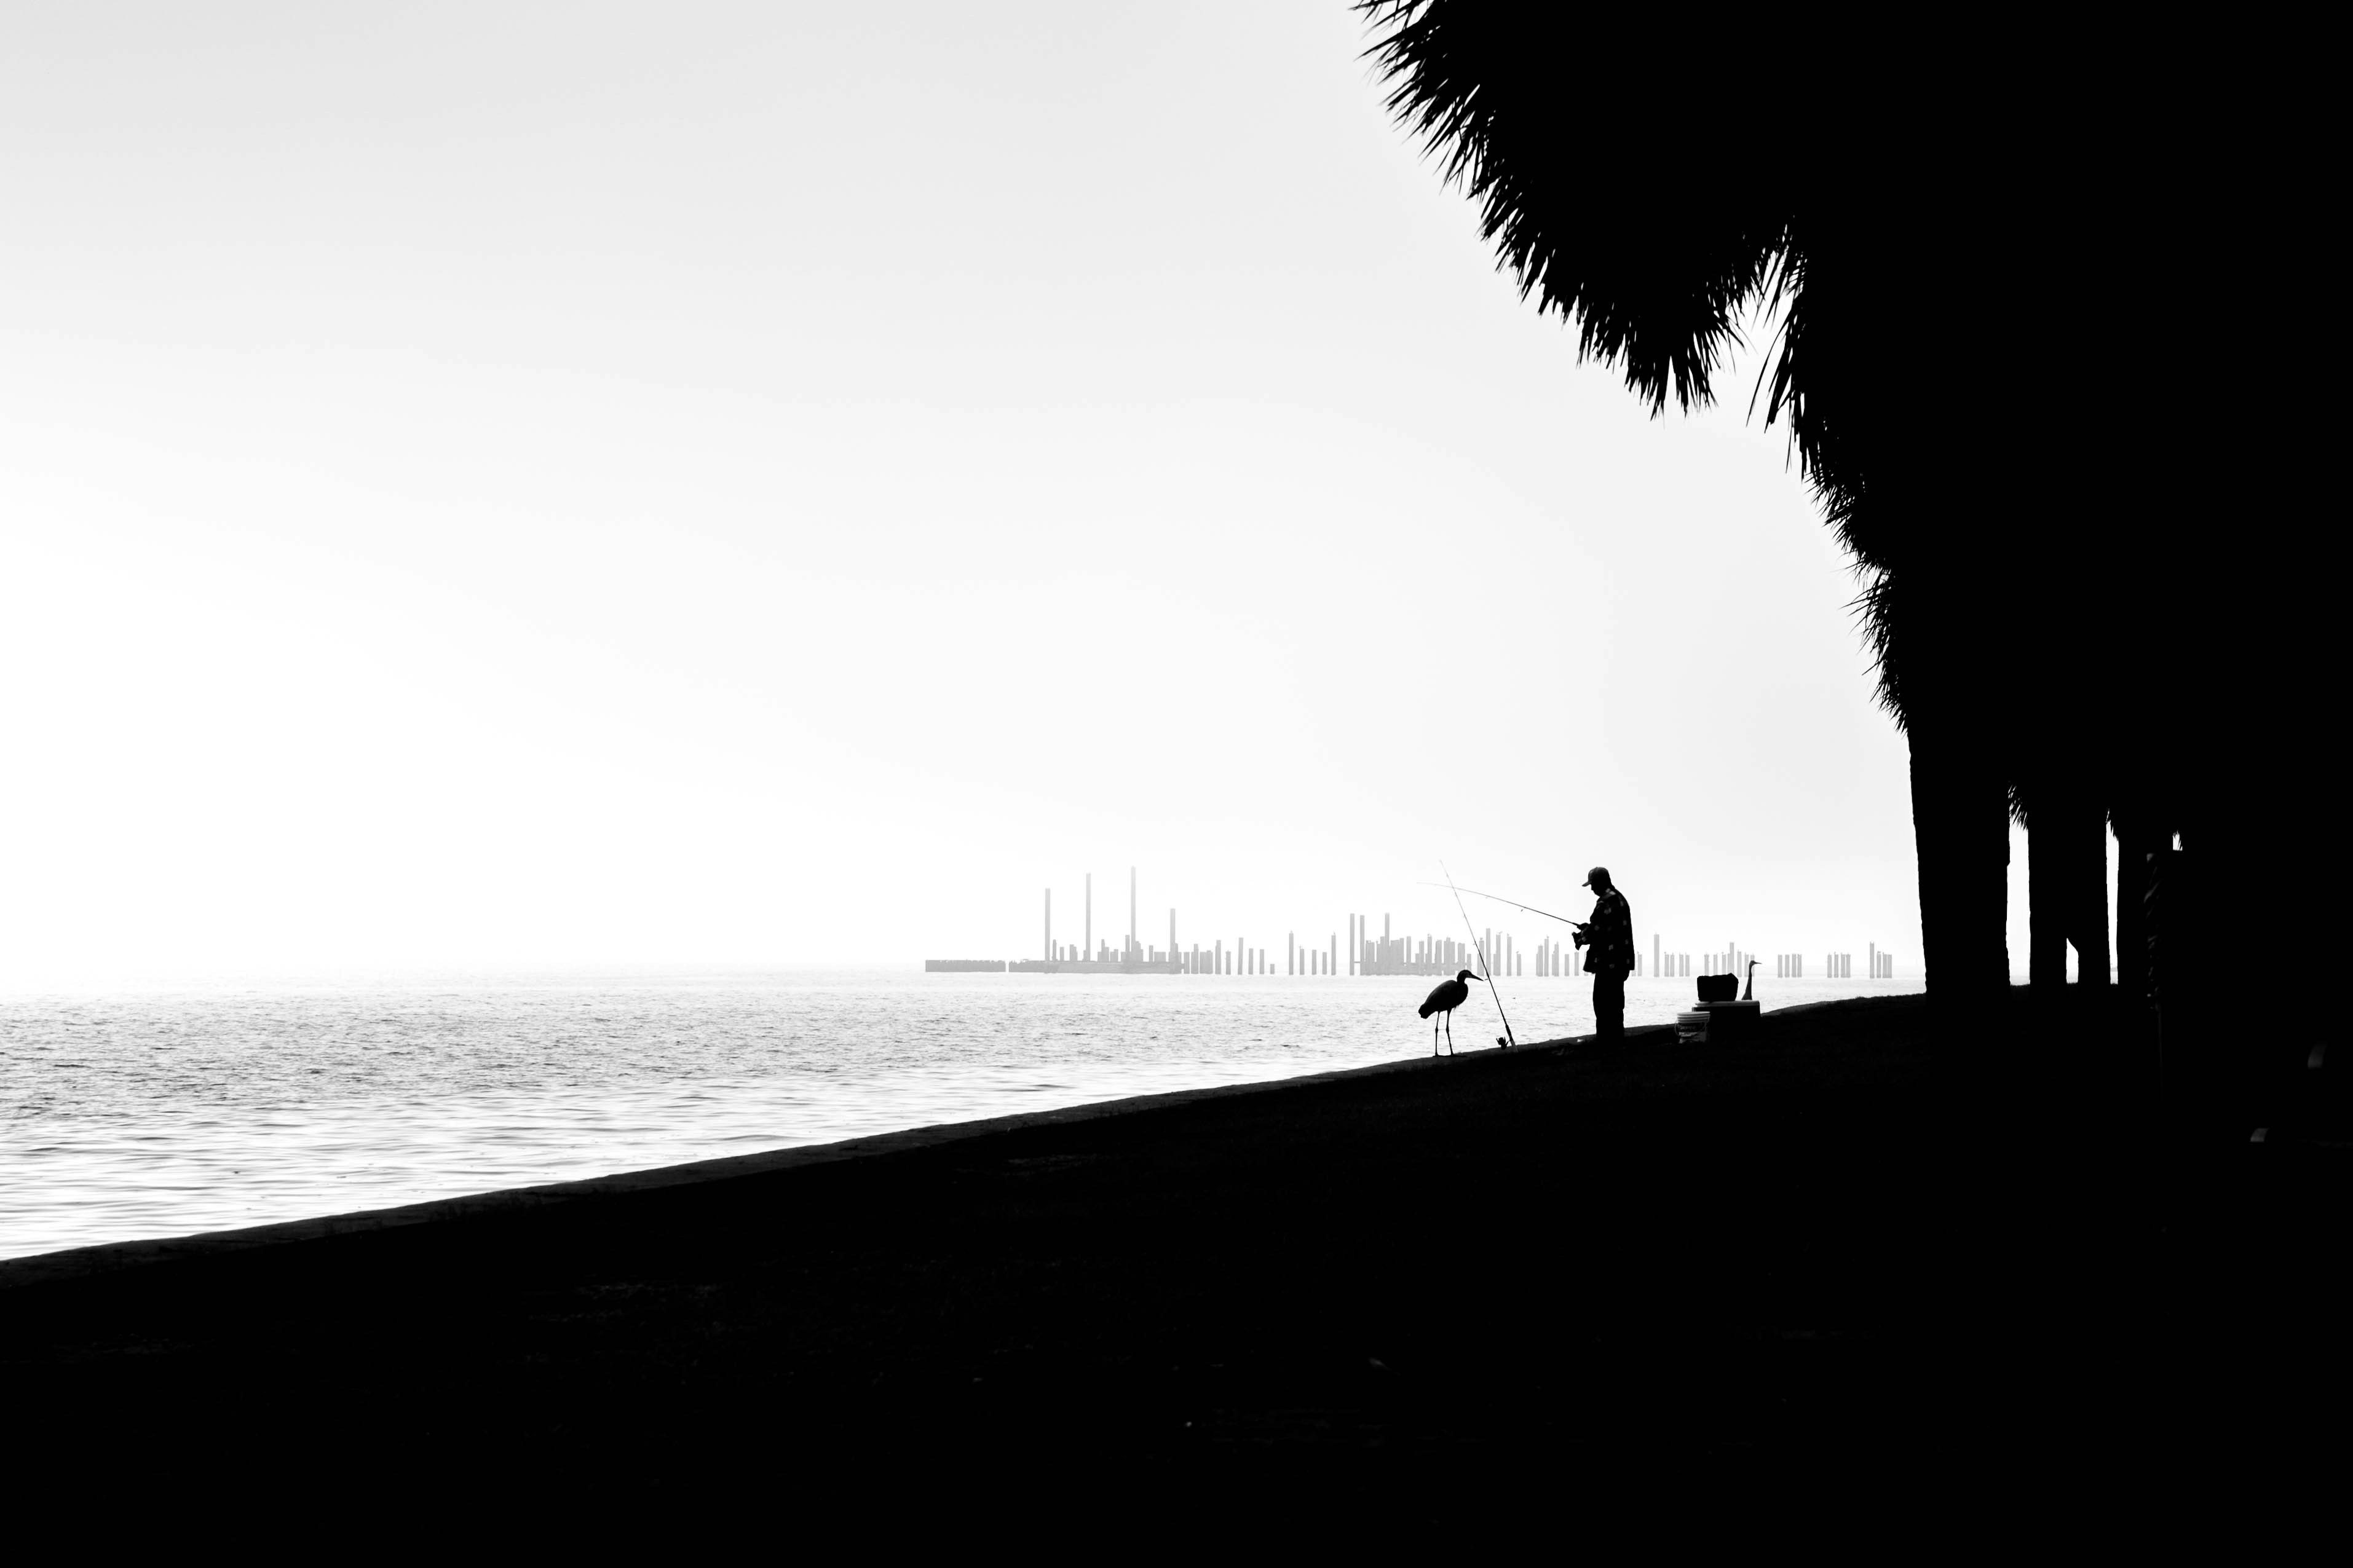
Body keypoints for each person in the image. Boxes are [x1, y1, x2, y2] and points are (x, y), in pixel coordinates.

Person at [1573, 866, 1634, 1047]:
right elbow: (1606, 927)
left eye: (1593, 885)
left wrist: (1580, 938)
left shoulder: (1604, 902)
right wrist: (1589, 928)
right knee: (1616, 1006)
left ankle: (1605, 1042)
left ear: (1600, 883)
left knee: (1602, 1004)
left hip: (1608, 964)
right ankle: (1616, 1041)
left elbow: (1595, 932)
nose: (1592, 889)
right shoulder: (1620, 899)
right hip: (1622, 963)